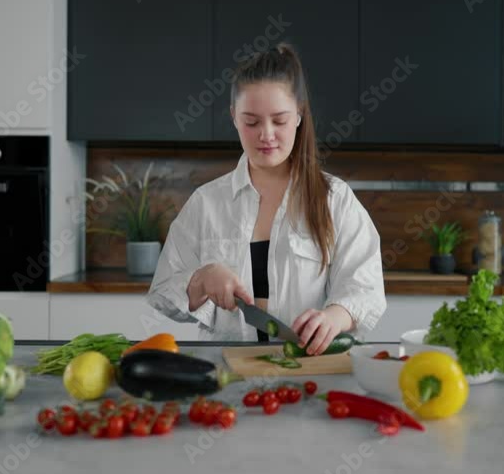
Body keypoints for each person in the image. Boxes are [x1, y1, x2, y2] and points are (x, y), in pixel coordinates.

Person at [146, 43, 386, 354]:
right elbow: (163, 293)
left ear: (299, 114)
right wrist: (201, 280)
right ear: (234, 117)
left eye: (280, 120)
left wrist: (334, 318)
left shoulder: (335, 199)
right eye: (252, 122)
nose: (266, 134)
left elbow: (366, 291)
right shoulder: (205, 203)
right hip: (225, 369)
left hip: (308, 371)